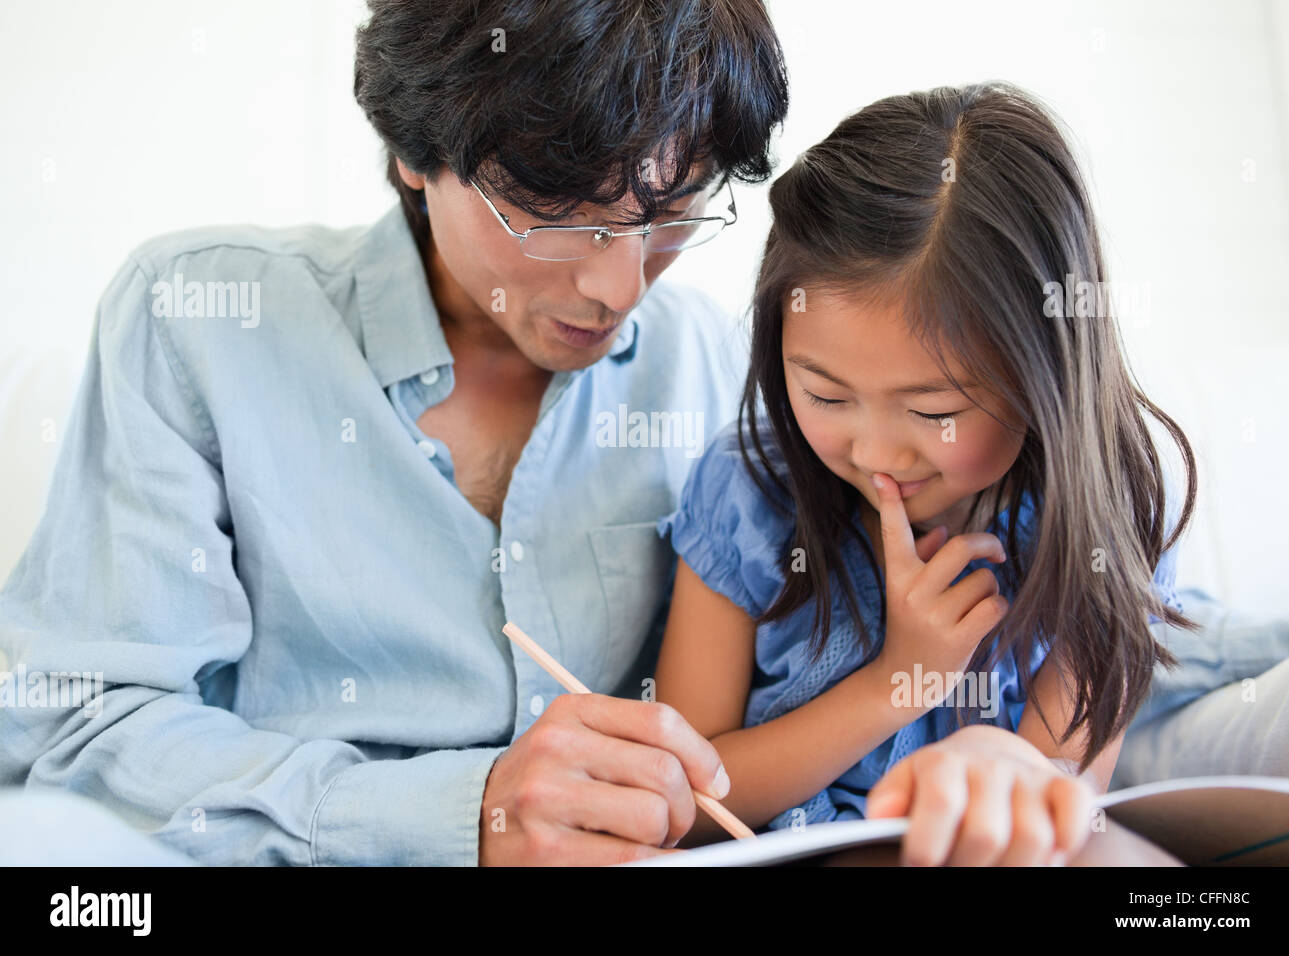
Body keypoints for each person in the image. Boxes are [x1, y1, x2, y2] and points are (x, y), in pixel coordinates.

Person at [0, 0, 790, 866]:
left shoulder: (710, 365)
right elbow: (80, 734)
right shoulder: (197, 323)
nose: (618, 284)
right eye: (559, 215)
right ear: (418, 152)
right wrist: (462, 814)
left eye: (671, 214)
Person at [653, 82, 1199, 865]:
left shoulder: (1108, 520)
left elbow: (1058, 790)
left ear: (1043, 374)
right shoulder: (748, 494)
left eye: (934, 409)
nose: (876, 453)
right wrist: (898, 681)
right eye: (825, 394)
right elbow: (687, 796)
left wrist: (1006, 772)